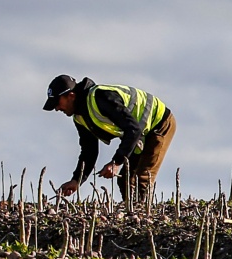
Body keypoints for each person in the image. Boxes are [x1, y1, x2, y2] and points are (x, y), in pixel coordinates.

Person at [43, 75, 176, 203]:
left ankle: (143, 217)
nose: (56, 108)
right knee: (125, 180)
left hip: (160, 123)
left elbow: (133, 129)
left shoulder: (101, 98)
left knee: (141, 178)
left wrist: (116, 163)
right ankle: (133, 214)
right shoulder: (79, 117)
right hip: (139, 133)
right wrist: (76, 180)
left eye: (57, 103)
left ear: (71, 96)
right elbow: (89, 150)